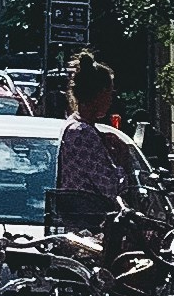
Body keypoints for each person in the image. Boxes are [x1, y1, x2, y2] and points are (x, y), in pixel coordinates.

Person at [51, 51, 141, 228]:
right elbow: (112, 189)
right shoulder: (82, 134)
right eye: (110, 92)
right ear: (100, 93)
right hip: (89, 226)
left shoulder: (77, 127)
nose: (111, 99)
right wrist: (123, 161)